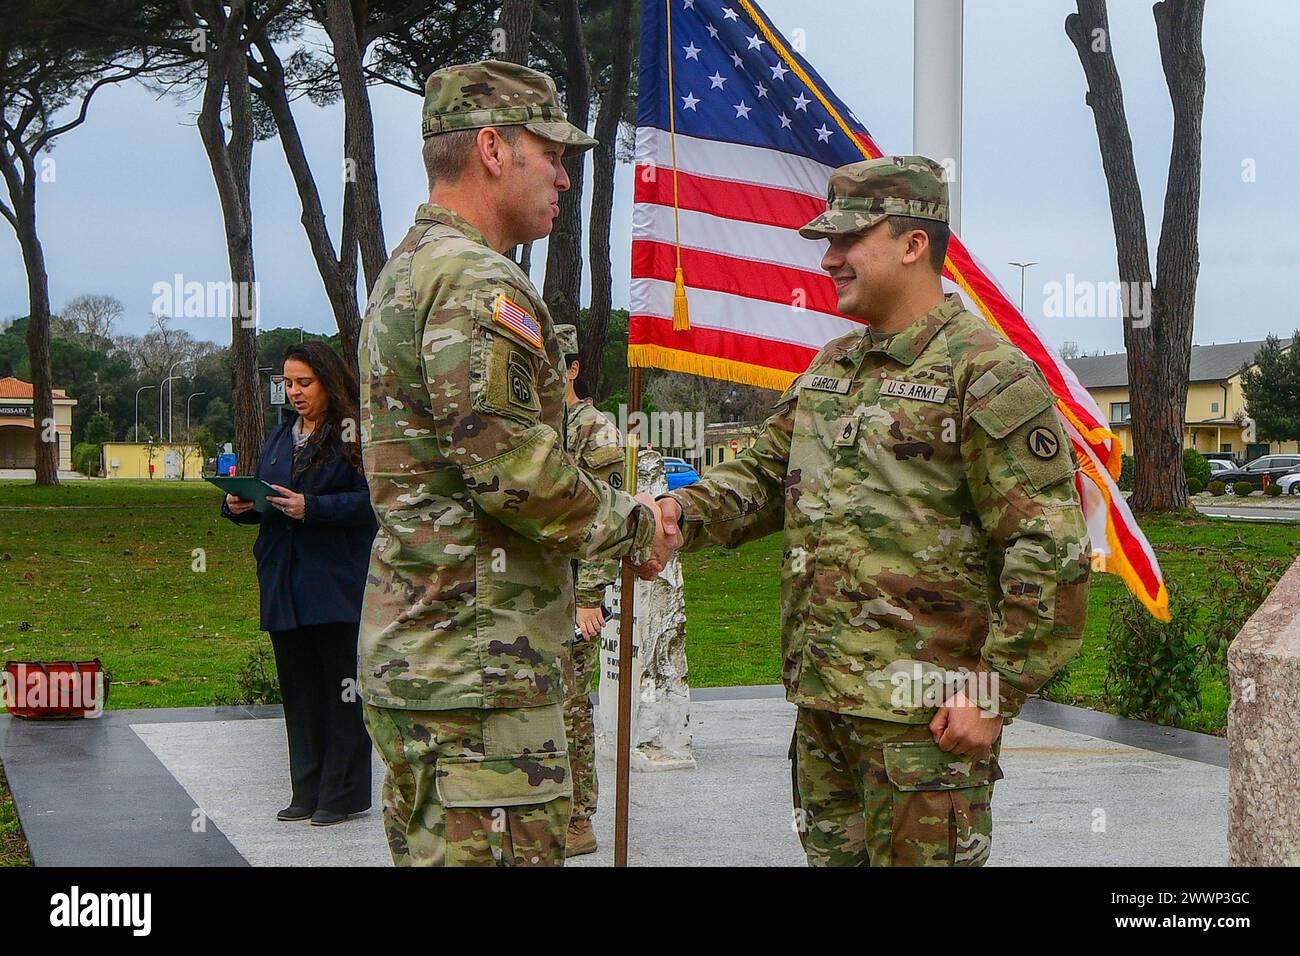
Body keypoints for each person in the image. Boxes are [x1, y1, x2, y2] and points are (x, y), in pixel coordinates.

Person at [650, 155, 1092, 867]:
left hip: (925, 727)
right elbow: (764, 476)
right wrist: (678, 513)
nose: (829, 259)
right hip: (826, 709)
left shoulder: (985, 372)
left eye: (849, 240)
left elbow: (1049, 548)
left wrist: (994, 690)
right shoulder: (832, 367)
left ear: (914, 243)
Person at [357, 60, 675, 868]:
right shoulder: (476, 282)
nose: (565, 179)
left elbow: (517, 442)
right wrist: (635, 527)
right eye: (553, 153)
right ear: (493, 150)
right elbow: (513, 471)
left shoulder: (414, 269)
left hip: (439, 657)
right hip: (480, 670)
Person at [222, 341, 377, 827]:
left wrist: (313, 508)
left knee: (342, 690)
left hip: (334, 585)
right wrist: (236, 507)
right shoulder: (279, 435)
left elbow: (372, 503)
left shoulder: (353, 436)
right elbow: (264, 491)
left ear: (328, 381)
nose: (294, 392)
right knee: (300, 690)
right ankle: (306, 789)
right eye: (287, 383)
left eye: (303, 383)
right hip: (283, 582)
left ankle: (343, 793)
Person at [553, 323, 624, 857]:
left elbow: (607, 518)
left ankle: (580, 816)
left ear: (574, 368)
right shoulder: (535, 426)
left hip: (576, 590)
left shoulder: (594, 430)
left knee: (573, 706)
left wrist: (591, 596)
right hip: (535, 589)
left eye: (556, 363)